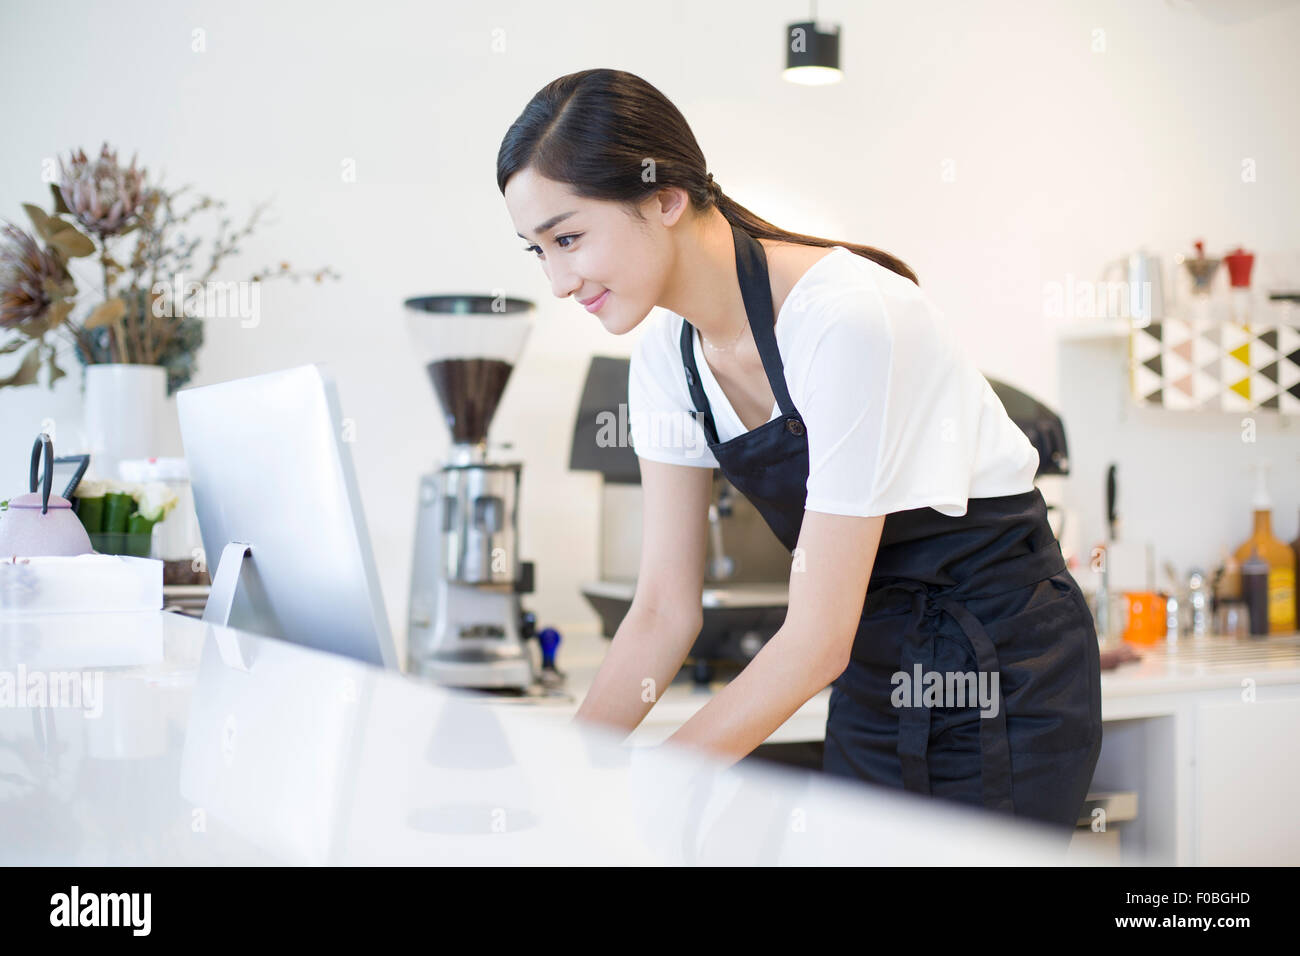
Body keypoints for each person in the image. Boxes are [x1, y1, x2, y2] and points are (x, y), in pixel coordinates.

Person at [498, 68, 1101, 840]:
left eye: (569, 237)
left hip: (1004, 673)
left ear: (664, 198)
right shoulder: (666, 360)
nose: (557, 279)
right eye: (537, 250)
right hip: (871, 670)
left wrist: (653, 787)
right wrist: (571, 783)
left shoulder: (846, 320)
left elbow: (816, 638)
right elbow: (661, 610)